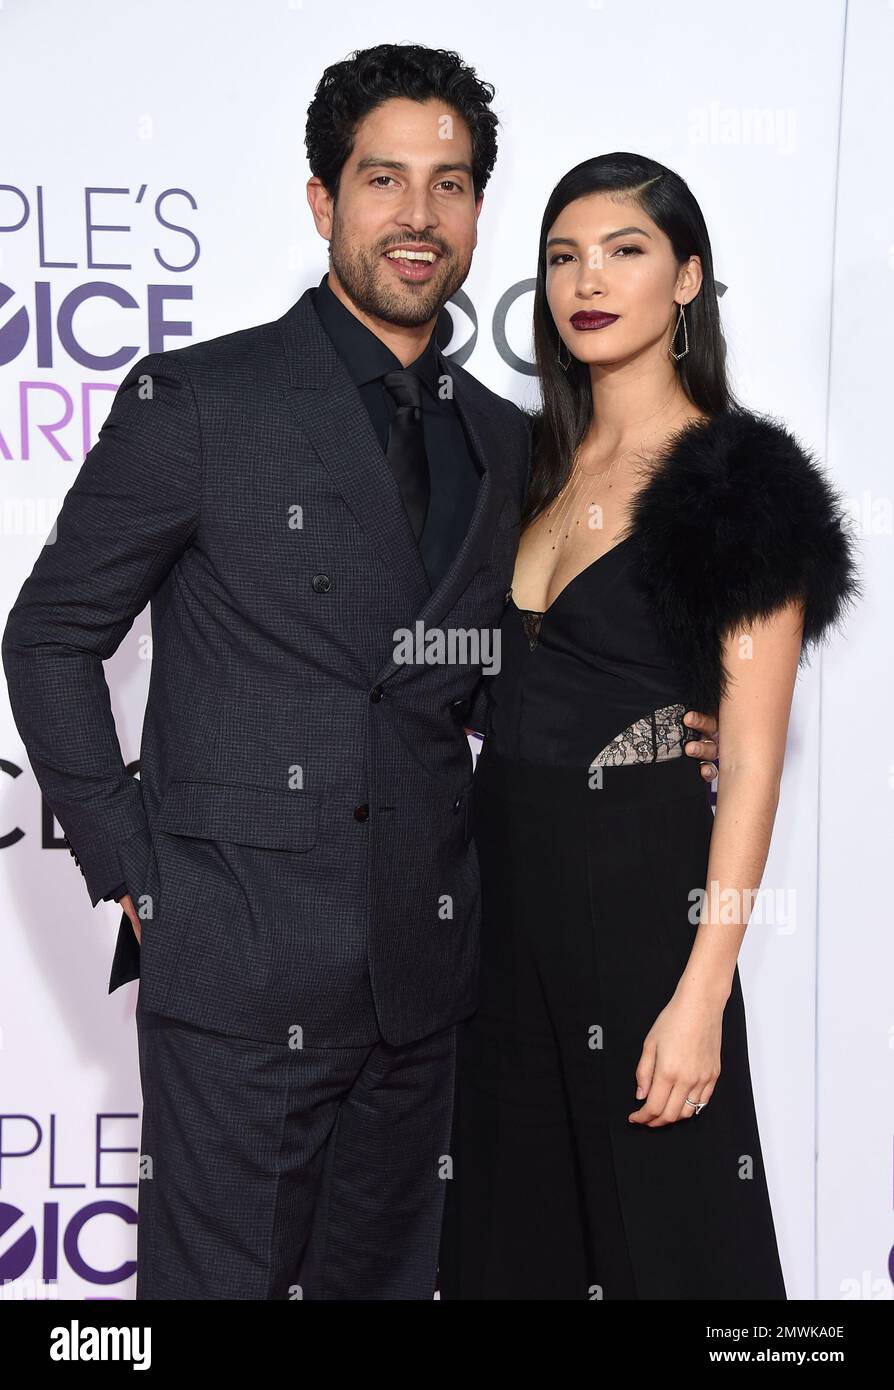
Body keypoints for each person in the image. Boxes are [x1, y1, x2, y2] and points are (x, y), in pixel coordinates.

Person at [2, 54, 718, 1300]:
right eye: (384, 180)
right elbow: (49, 637)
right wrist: (138, 875)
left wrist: (648, 729)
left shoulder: (505, 441)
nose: (418, 215)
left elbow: (481, 676)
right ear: (324, 202)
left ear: (478, 216)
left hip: (426, 983)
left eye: (450, 185)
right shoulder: (202, 399)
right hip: (235, 970)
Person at [438, 152, 859, 1300]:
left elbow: (756, 760)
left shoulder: (740, 479)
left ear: (687, 280)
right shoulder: (524, 464)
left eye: (626, 250)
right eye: (565, 256)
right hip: (502, 910)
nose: (589, 278)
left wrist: (702, 991)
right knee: (508, 1245)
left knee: (672, 1244)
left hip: (640, 907)